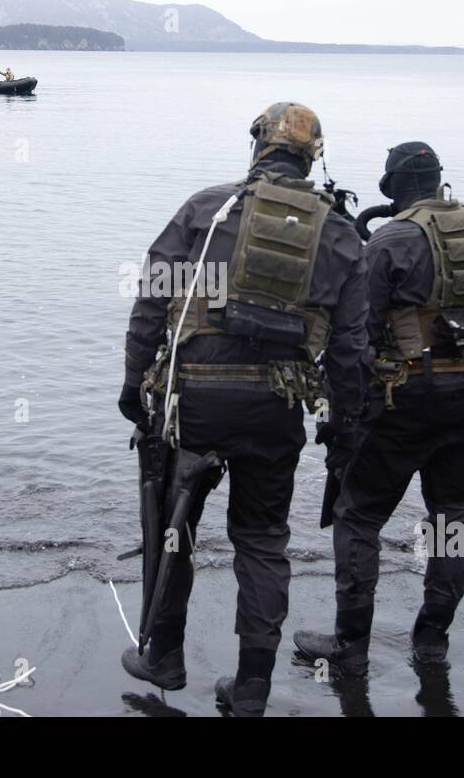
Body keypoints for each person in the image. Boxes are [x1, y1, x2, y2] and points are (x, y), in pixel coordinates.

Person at [119, 102, 368, 716]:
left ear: (258, 145)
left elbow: (152, 299)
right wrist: (345, 426)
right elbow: (351, 349)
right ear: (312, 157)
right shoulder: (338, 231)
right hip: (276, 407)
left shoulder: (207, 208)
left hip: (195, 402)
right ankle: (253, 685)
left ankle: (165, 657)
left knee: (175, 528)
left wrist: (132, 385)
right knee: (262, 542)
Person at [293, 141, 464, 675]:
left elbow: (355, 340)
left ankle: (350, 647)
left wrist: (343, 411)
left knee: (360, 514)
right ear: (440, 180)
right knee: (453, 515)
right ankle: (433, 640)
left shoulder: (390, 241)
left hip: (404, 400)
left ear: (391, 188)